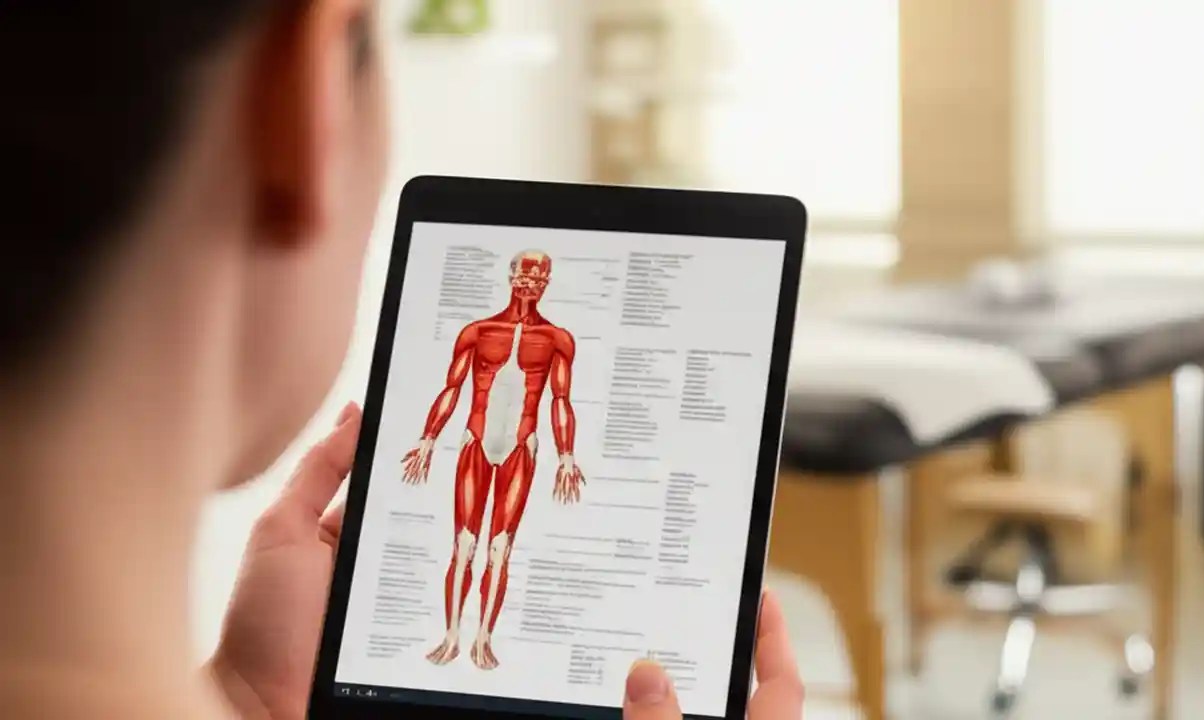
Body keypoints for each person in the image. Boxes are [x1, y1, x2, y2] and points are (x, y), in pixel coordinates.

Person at [0, 2, 805, 719]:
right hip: (483, 449)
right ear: (311, 99)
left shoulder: (552, 343)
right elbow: (458, 390)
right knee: (467, 546)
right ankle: (459, 636)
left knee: (491, 548)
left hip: (516, 449)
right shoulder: (482, 335)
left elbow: (553, 403)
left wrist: (244, 699)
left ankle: (475, 638)